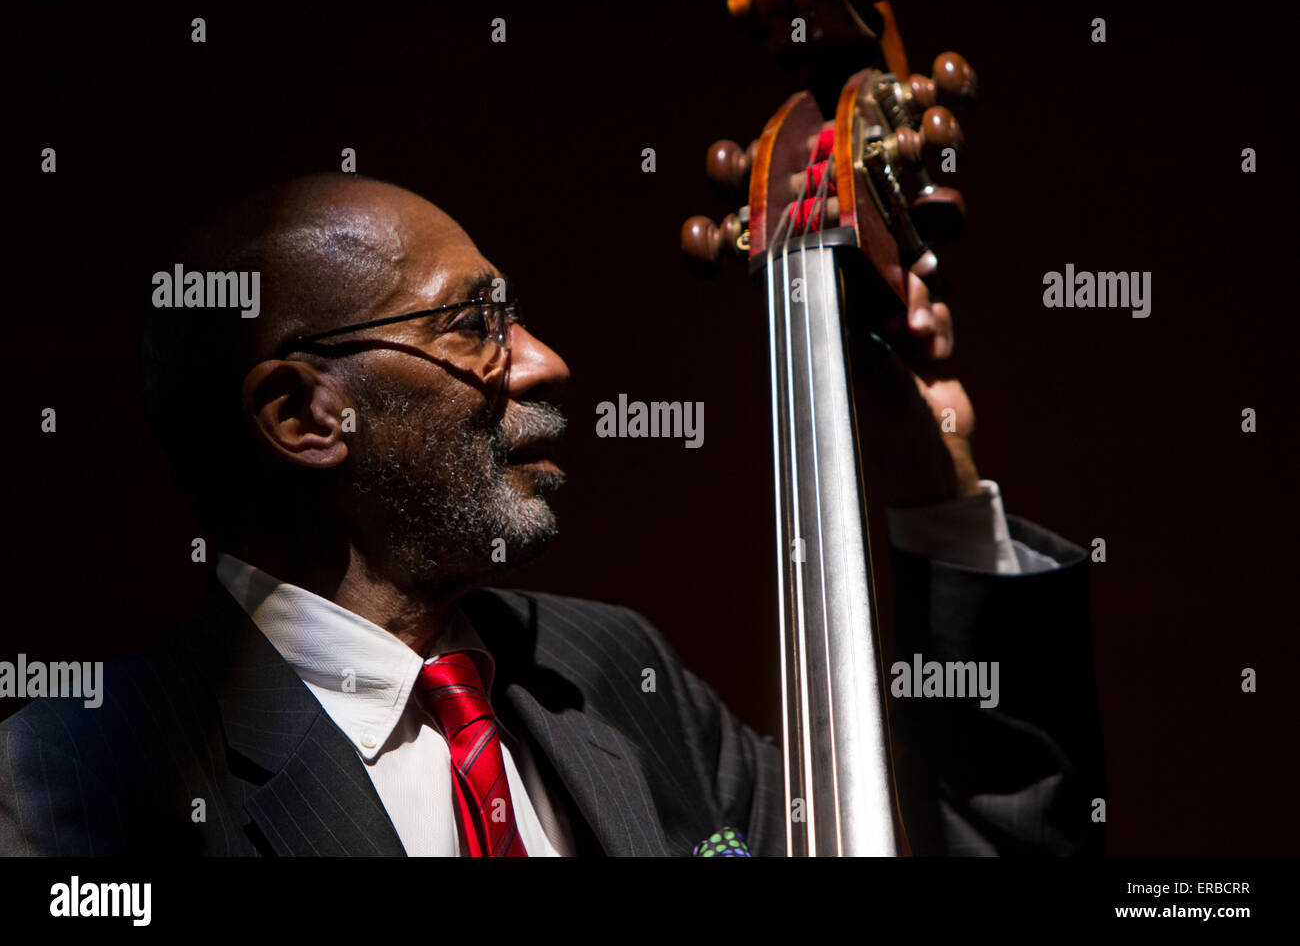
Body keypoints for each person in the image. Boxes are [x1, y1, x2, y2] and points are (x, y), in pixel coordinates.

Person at [0, 174, 1102, 856]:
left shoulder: (612, 666)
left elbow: (969, 843)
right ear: (302, 413)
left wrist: (935, 489)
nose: (545, 362)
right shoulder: (78, 778)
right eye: (476, 323)